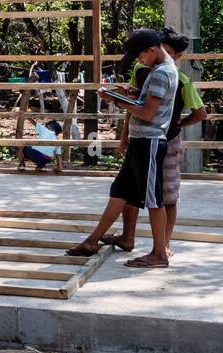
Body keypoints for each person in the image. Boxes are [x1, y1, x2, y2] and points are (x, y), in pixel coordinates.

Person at [66, 28, 179, 268]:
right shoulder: (158, 69)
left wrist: (117, 101)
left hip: (149, 141)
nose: (140, 62)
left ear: (151, 50)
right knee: (119, 191)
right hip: (141, 141)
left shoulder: (161, 73)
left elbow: (148, 113)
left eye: (140, 57)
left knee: (153, 199)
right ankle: (92, 240)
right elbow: (147, 101)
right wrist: (129, 93)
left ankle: (159, 254)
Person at [100, 26, 208, 255]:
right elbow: (138, 104)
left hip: (161, 141)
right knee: (134, 192)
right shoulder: (142, 69)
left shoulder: (177, 78)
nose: (142, 59)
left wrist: (177, 124)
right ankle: (129, 237)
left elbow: (198, 113)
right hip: (144, 138)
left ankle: (162, 246)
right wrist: (125, 134)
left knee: (164, 197)